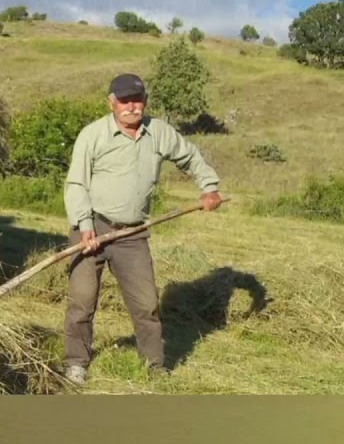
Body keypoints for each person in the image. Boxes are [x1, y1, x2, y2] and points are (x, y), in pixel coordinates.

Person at [61, 73, 224, 385]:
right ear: (112, 103)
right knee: (82, 301)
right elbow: (76, 183)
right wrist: (84, 227)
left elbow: (190, 156)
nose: (131, 106)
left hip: (133, 233)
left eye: (137, 100)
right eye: (124, 100)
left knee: (147, 304)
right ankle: (77, 363)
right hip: (92, 226)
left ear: (145, 102)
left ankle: (153, 366)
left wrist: (209, 186)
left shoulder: (159, 132)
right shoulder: (92, 135)